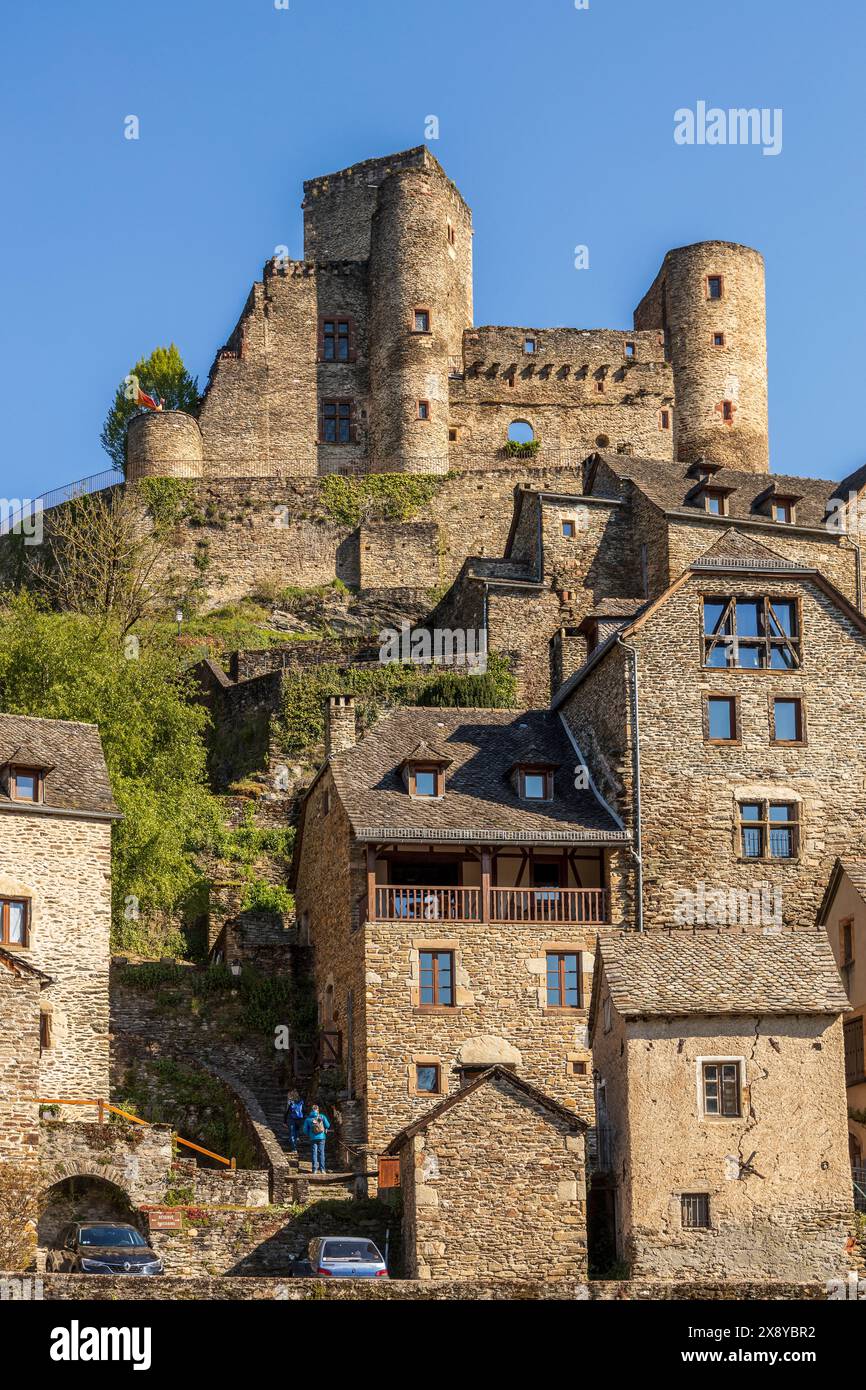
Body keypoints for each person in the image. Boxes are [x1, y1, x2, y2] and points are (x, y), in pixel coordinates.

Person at [303, 1104, 331, 1174]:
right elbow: (328, 1125)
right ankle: (322, 1169)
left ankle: (314, 1170)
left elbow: (304, 1130)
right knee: (321, 1153)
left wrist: (310, 1134)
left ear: (311, 1110)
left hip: (313, 1138)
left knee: (314, 1153)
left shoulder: (308, 1119)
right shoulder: (322, 1116)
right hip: (322, 1137)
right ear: (318, 1110)